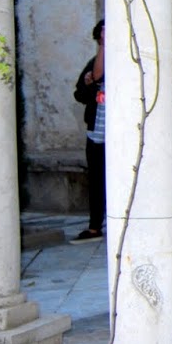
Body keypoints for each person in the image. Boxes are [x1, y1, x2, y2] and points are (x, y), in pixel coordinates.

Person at [72, 19, 105, 243]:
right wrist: (89, 84)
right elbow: (80, 94)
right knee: (96, 180)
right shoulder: (94, 64)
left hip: (121, 136)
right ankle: (94, 227)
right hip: (96, 133)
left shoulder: (128, 63)